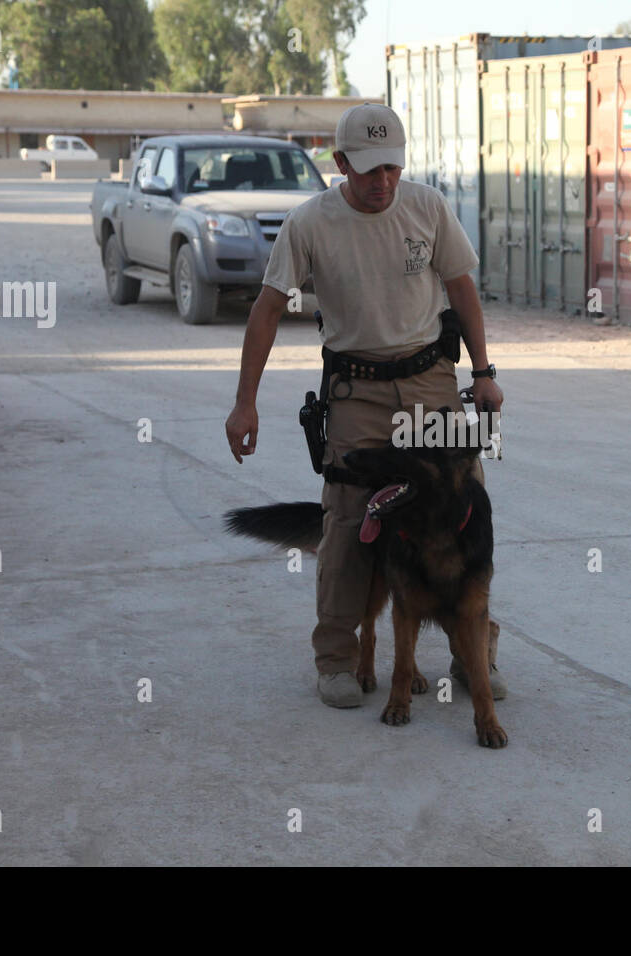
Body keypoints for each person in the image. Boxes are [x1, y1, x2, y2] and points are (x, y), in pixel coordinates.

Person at [224, 103, 507, 708]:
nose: (383, 182)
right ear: (341, 163)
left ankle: (473, 653)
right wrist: (244, 403)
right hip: (357, 391)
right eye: (370, 169)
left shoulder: (426, 206)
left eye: (393, 169)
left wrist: (483, 371)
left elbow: (461, 288)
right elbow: (267, 310)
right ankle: (336, 658)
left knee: (461, 510)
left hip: (430, 381)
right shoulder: (310, 225)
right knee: (352, 523)